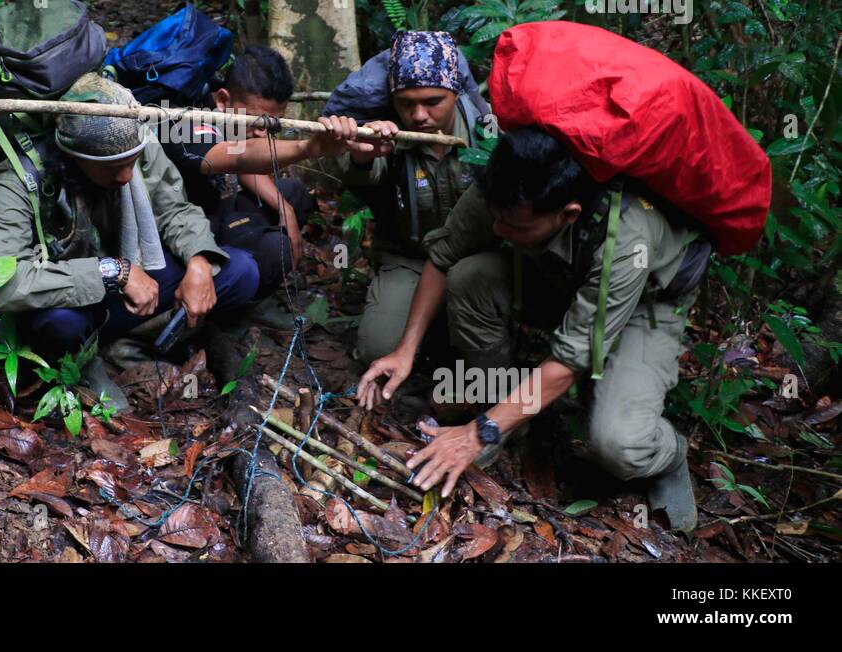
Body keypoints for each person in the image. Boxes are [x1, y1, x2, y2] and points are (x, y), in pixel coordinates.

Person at [356, 127, 708, 531]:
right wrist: (406, 349)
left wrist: (477, 435)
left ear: (568, 213)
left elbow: (569, 360)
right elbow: (443, 256)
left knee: (620, 442)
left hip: (646, 301)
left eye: (517, 228)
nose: (501, 232)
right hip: (562, 272)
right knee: (470, 277)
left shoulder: (627, 240)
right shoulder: (504, 187)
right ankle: (497, 409)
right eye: (496, 220)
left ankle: (668, 455)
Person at [0, 73, 262, 413]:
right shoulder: (22, 175)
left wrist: (199, 261)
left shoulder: (137, 140)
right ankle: (85, 362)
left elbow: (174, 209)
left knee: (241, 272)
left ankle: (130, 342)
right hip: (74, 300)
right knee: (60, 324)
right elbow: (4, 282)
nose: (127, 176)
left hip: (131, 292)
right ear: (73, 157)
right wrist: (116, 272)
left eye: (132, 163)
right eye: (114, 167)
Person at [323, 30, 485, 365]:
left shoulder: (484, 129)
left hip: (472, 258)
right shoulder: (386, 132)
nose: (419, 115)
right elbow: (362, 179)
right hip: (409, 257)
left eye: (432, 102)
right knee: (376, 350)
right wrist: (365, 155)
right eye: (407, 104)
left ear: (455, 93)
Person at [161, 44, 361, 300]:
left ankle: (250, 287)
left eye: (273, 125)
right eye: (258, 123)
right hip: (185, 230)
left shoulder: (228, 110)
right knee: (275, 248)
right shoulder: (186, 120)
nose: (263, 134)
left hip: (216, 209)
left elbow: (244, 161)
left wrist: (284, 208)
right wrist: (311, 147)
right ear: (222, 100)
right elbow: (238, 155)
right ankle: (234, 307)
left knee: (293, 194)